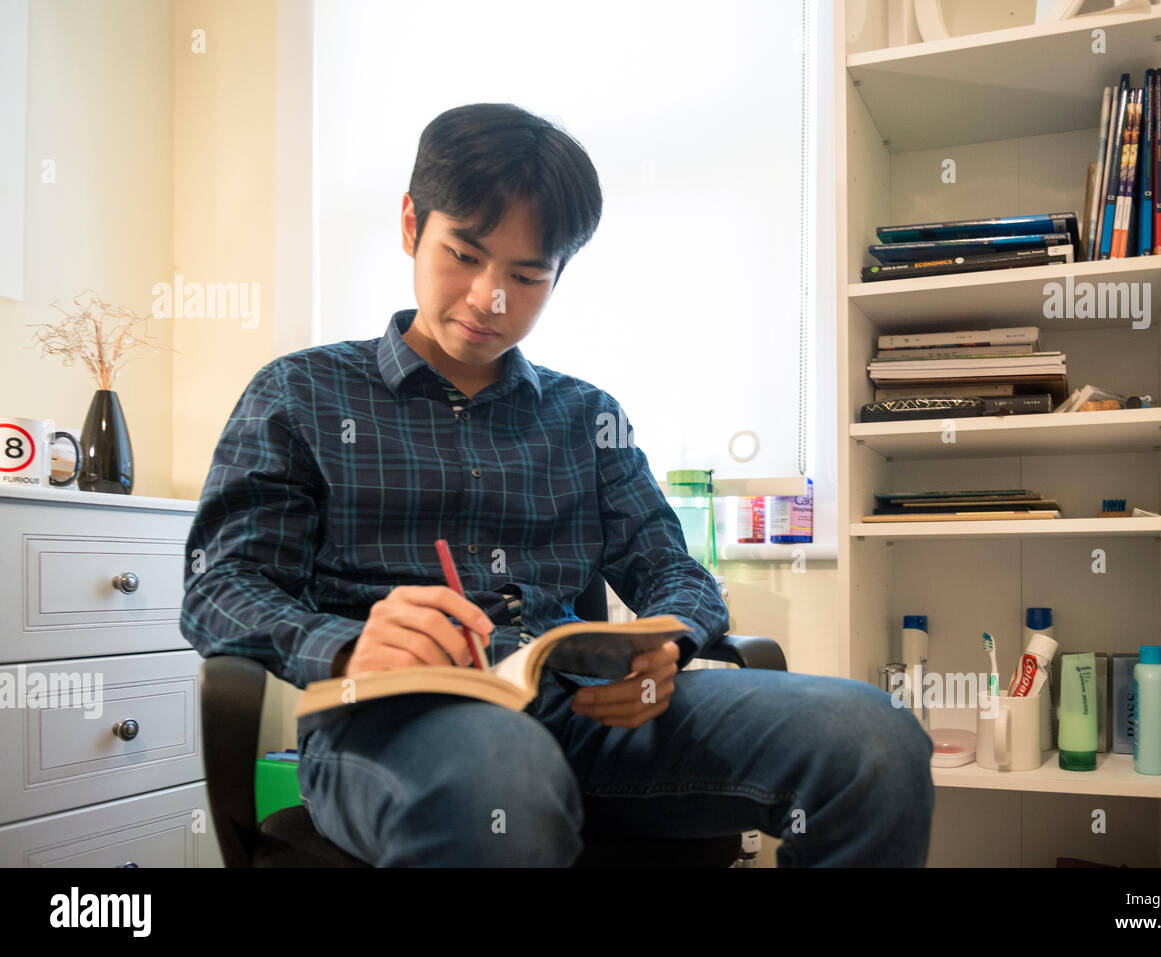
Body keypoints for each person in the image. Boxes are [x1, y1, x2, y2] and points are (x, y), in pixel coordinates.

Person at [180, 102, 933, 866]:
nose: (488, 299)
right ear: (412, 224)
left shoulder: (587, 417)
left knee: (873, 741)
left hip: (588, 715)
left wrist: (668, 642)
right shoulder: (300, 394)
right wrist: (346, 646)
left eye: (527, 275)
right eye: (465, 254)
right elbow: (221, 587)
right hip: (389, 726)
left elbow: (675, 571)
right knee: (503, 785)